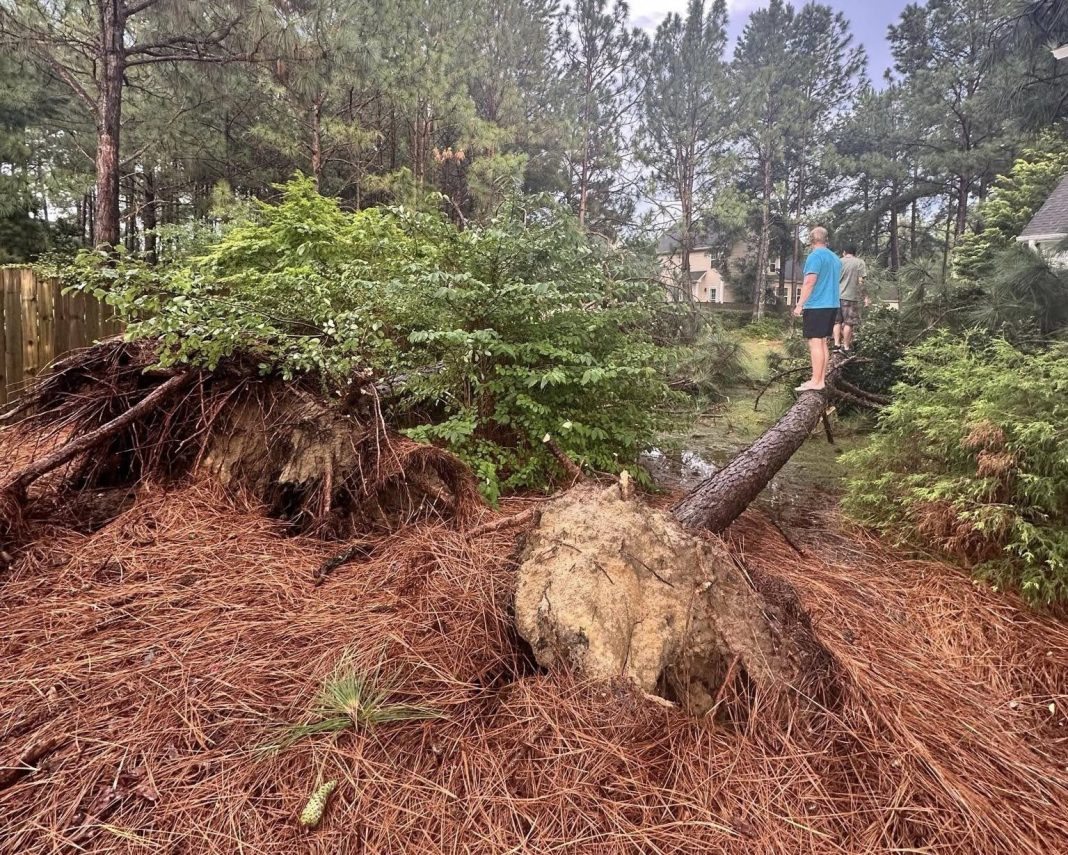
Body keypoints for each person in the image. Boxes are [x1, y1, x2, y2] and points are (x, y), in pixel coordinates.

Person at [791, 226, 841, 392]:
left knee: (815, 343)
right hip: (832, 304)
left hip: (817, 305)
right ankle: (820, 379)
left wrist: (799, 305)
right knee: (823, 342)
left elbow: (809, 282)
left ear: (811, 241)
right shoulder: (835, 258)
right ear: (826, 239)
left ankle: (816, 381)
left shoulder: (815, 256)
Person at [833, 245, 868, 354]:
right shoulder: (859, 263)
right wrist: (865, 296)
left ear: (844, 252)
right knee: (848, 323)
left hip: (835, 296)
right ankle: (846, 347)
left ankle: (836, 345)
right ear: (854, 253)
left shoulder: (837, 262)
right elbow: (861, 281)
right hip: (850, 297)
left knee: (836, 322)